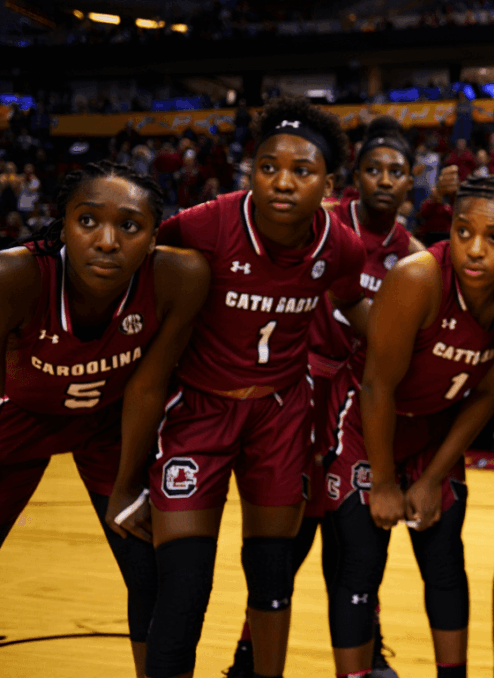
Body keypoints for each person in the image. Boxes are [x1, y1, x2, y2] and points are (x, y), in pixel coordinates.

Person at [127, 96, 370, 678]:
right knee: (184, 584)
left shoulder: (340, 246)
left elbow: (356, 306)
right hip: (199, 408)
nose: (282, 182)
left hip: (282, 414)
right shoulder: (204, 222)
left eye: (301, 171)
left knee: (271, 572)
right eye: (268, 167)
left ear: (329, 185)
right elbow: (132, 266)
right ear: (251, 171)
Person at [220, 115, 424, 678]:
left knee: (355, 534)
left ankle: (368, 640)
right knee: (289, 533)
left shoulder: (414, 255)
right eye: (374, 169)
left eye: (396, 171)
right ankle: (249, 650)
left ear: (411, 181)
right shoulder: (324, 226)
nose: (385, 179)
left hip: (359, 400)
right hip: (297, 388)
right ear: (352, 178)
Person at [0, 161, 209, 677]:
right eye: (88, 221)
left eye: (130, 226)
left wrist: (124, 487)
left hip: (107, 426)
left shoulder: (180, 276)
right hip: (17, 417)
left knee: (150, 569)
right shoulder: (15, 275)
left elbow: (146, 386)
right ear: (63, 223)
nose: (107, 240)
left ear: (154, 235)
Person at [325, 174, 494, 678]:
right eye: (464, 233)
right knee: (360, 562)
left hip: (433, 430)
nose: (476, 250)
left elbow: (487, 393)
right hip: (366, 424)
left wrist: (432, 477)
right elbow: (376, 386)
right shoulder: (418, 277)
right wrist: (383, 482)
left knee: (444, 561)